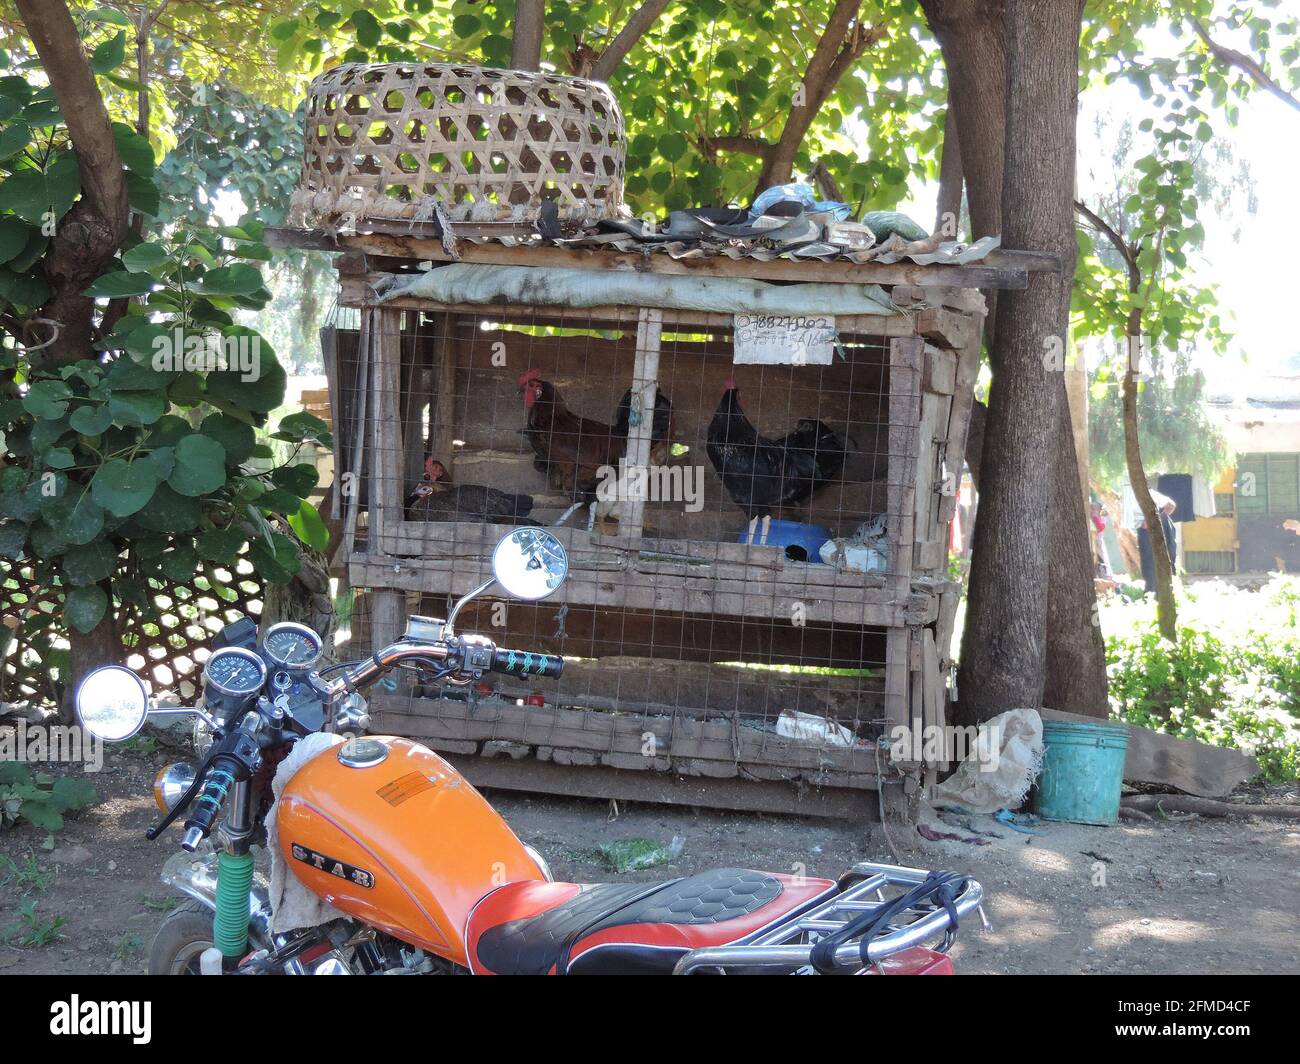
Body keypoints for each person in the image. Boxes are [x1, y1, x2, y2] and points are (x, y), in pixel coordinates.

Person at [1136, 488, 1177, 595]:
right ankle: (1151, 593)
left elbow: (1171, 505)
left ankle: (1158, 594)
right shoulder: (1129, 495)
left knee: (1154, 564)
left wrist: (1154, 520)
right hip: (1142, 532)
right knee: (1147, 565)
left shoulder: (1149, 493)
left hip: (1153, 532)